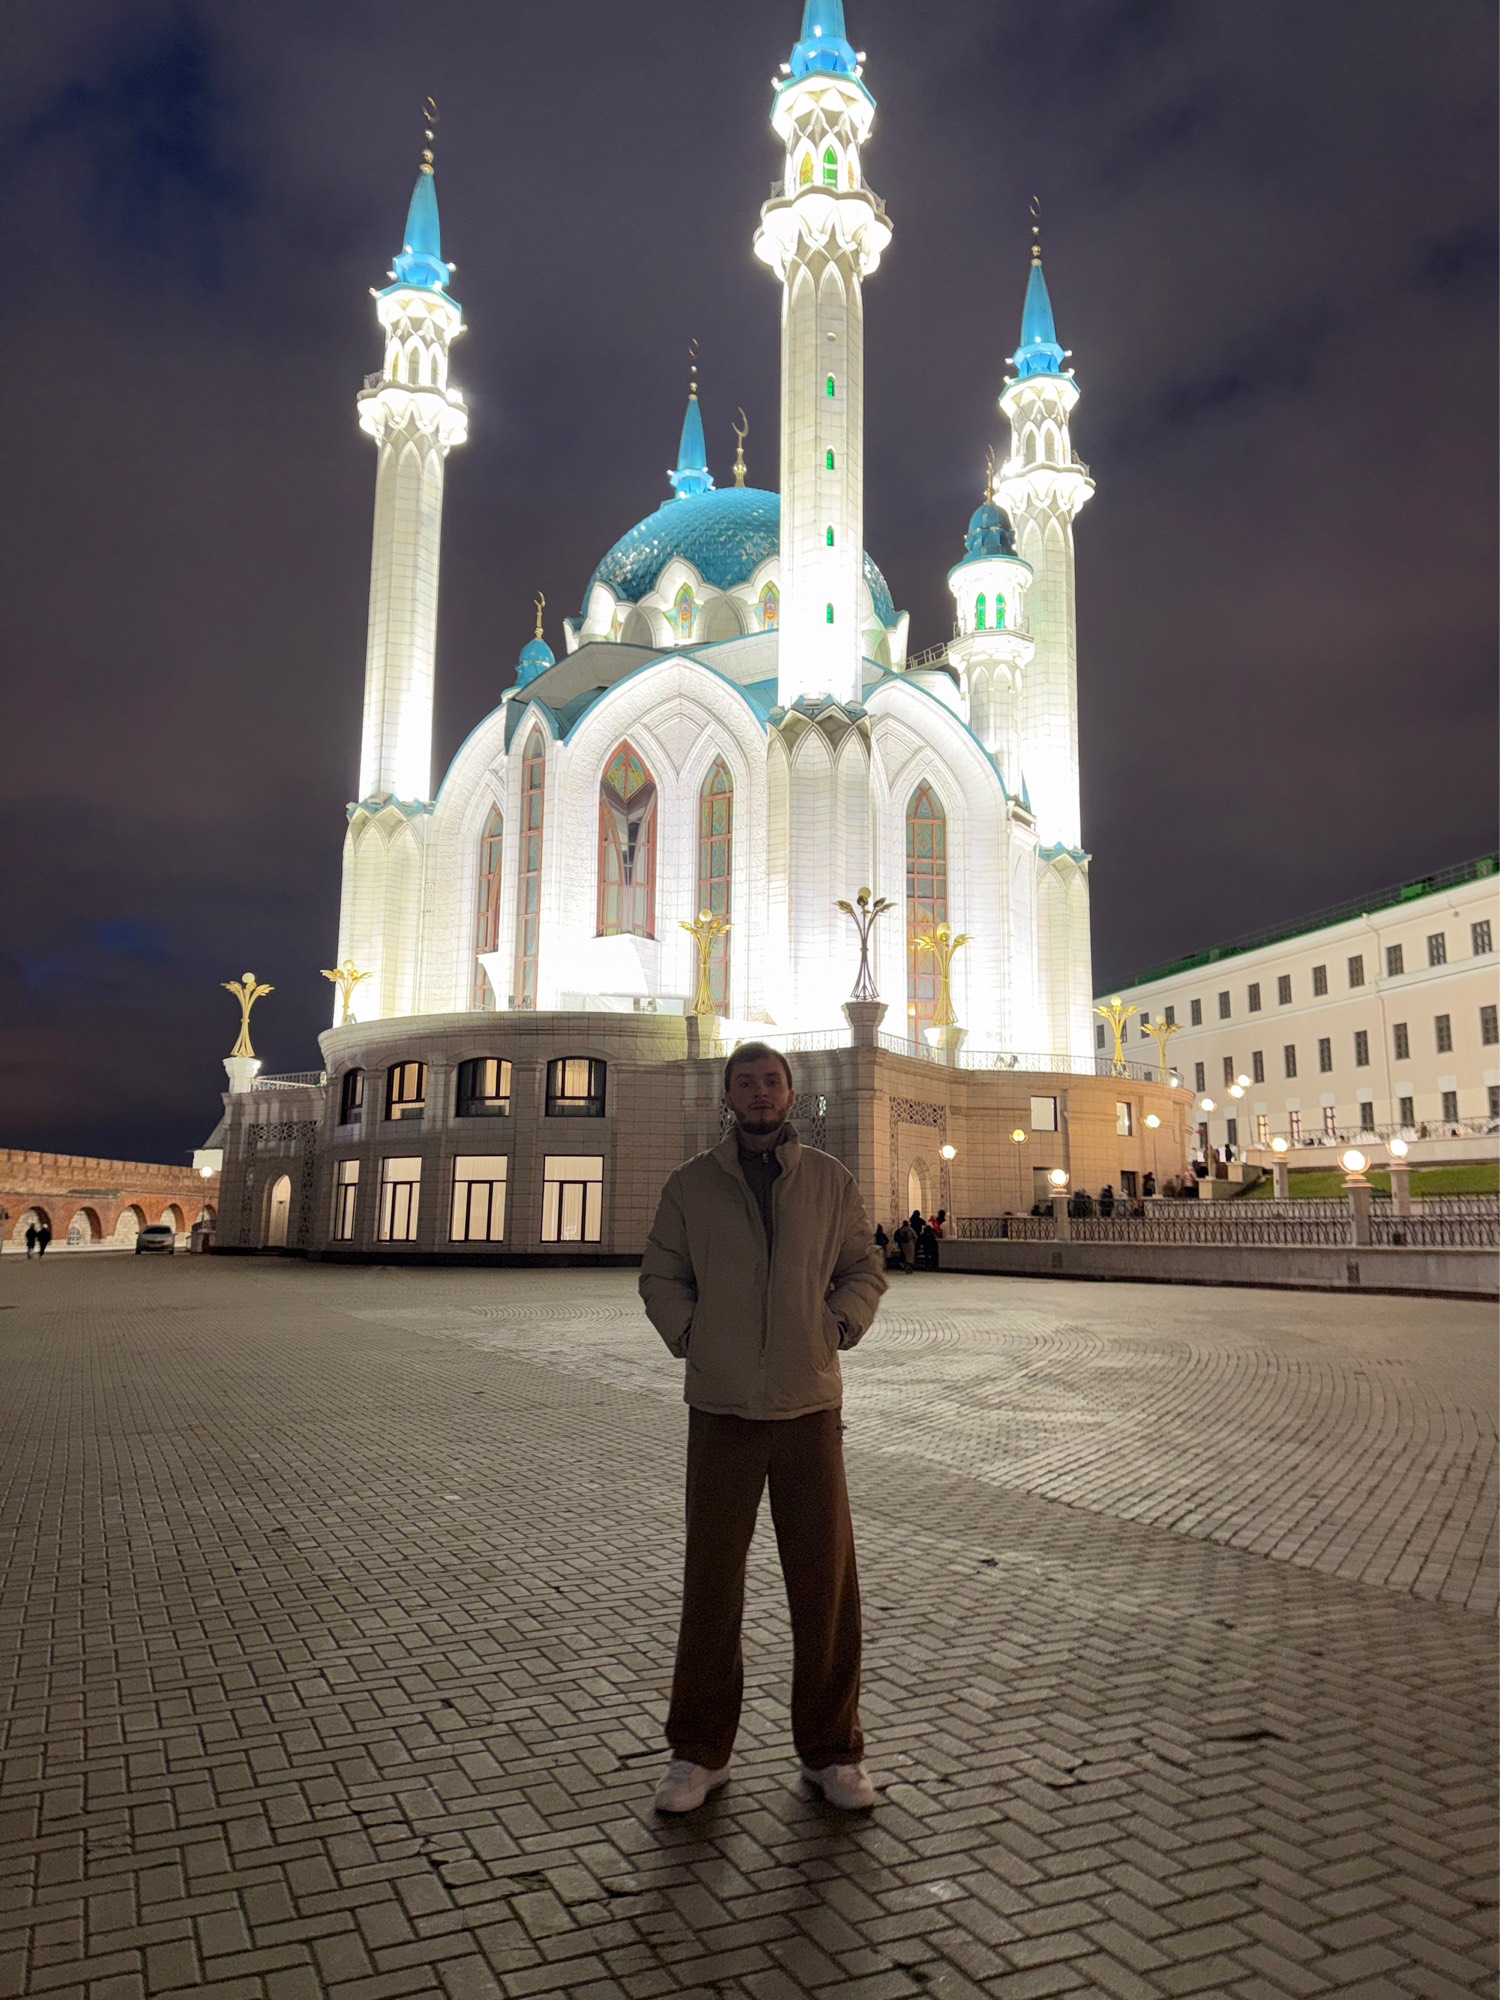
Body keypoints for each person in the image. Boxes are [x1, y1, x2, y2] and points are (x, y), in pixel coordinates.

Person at [640, 1042, 887, 1817]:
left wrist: (835, 1328)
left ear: (790, 1093)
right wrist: (694, 1336)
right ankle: (699, 1752)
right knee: (712, 1584)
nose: (758, 1094)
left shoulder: (828, 1181)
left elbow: (863, 1268)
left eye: (770, 1082)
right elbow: (660, 1274)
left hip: (808, 1405)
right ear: (727, 1097)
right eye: (744, 1083)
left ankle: (833, 1750)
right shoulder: (692, 1185)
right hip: (721, 1410)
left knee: (825, 1585)